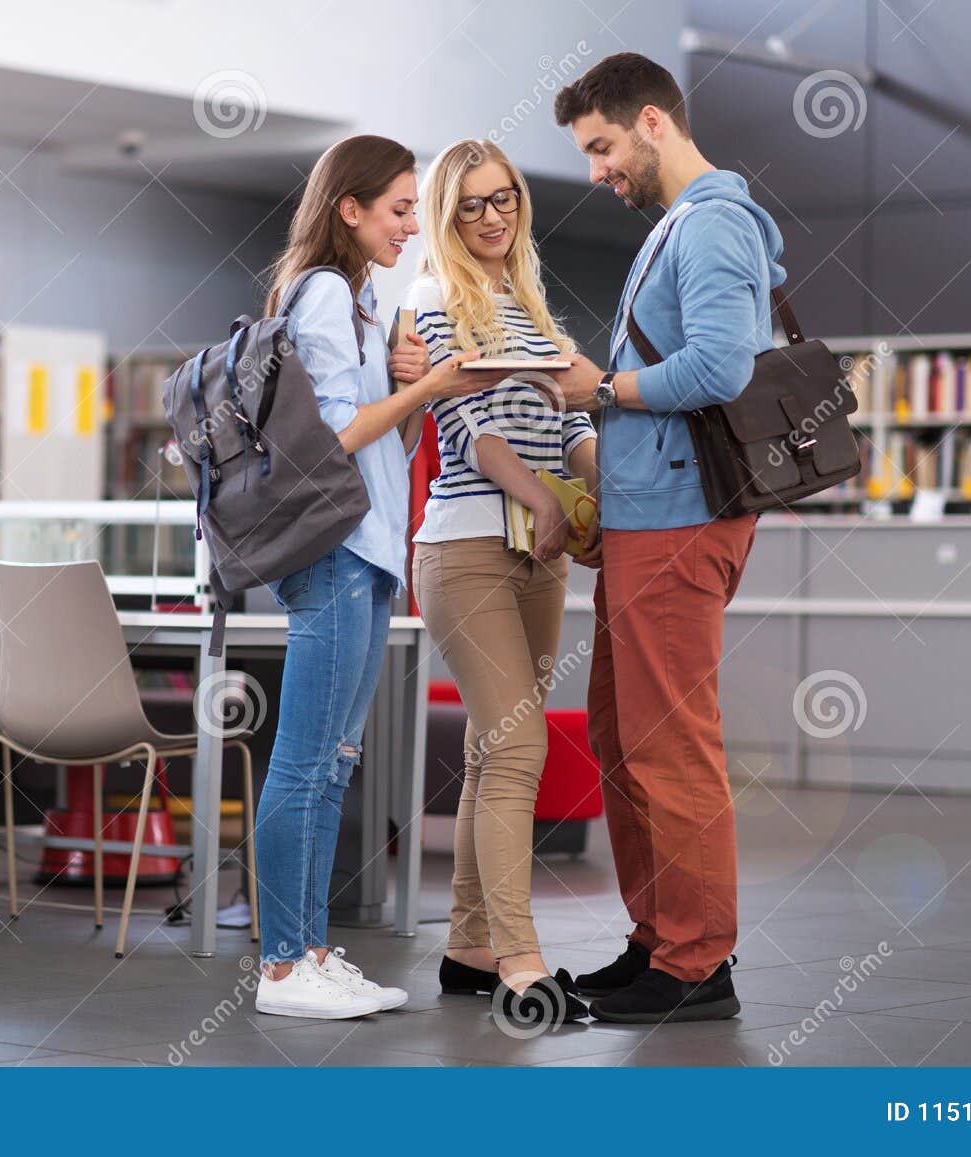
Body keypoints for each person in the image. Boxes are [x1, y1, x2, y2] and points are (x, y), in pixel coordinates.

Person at [542, 52, 787, 1023]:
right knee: (624, 738)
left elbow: (721, 369)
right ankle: (658, 938)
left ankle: (694, 962)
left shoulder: (714, 224)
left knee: (669, 746)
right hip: (650, 519)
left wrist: (597, 387)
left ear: (651, 121)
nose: (599, 170)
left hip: (682, 524)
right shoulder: (684, 227)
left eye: (601, 147)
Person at [253, 134, 484, 1020]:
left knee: (333, 762)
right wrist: (425, 390)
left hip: (371, 547)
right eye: (397, 210)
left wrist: (405, 386)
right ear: (347, 208)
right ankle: (282, 967)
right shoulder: (318, 294)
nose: (409, 229)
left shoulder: (357, 301)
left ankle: (310, 948)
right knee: (307, 763)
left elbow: (379, 444)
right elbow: (333, 440)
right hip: (338, 551)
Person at [389, 138, 596, 1024]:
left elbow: (573, 417)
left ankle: (470, 946)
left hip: (541, 550)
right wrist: (542, 503)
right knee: (518, 748)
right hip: (469, 544)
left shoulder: (532, 306)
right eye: (470, 203)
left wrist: (591, 493)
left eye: (503, 197)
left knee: (489, 749)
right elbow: (470, 425)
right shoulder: (433, 297)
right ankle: (523, 958)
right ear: (445, 213)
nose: (491, 216)